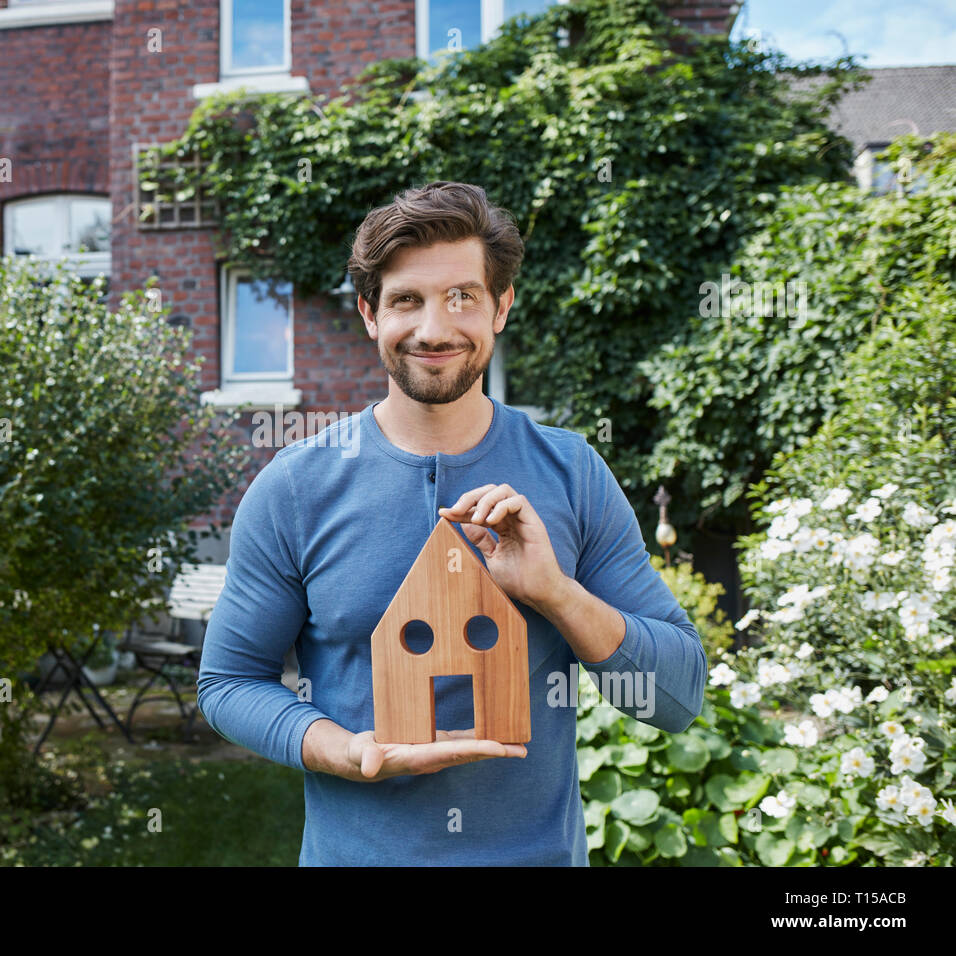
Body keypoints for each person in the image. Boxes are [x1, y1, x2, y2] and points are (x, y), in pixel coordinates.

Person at [196, 181, 707, 865]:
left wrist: (556, 592)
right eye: (407, 299)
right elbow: (229, 683)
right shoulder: (295, 488)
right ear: (369, 314)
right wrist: (345, 750)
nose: (434, 329)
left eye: (462, 297)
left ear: (502, 307)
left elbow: (676, 695)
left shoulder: (572, 473)